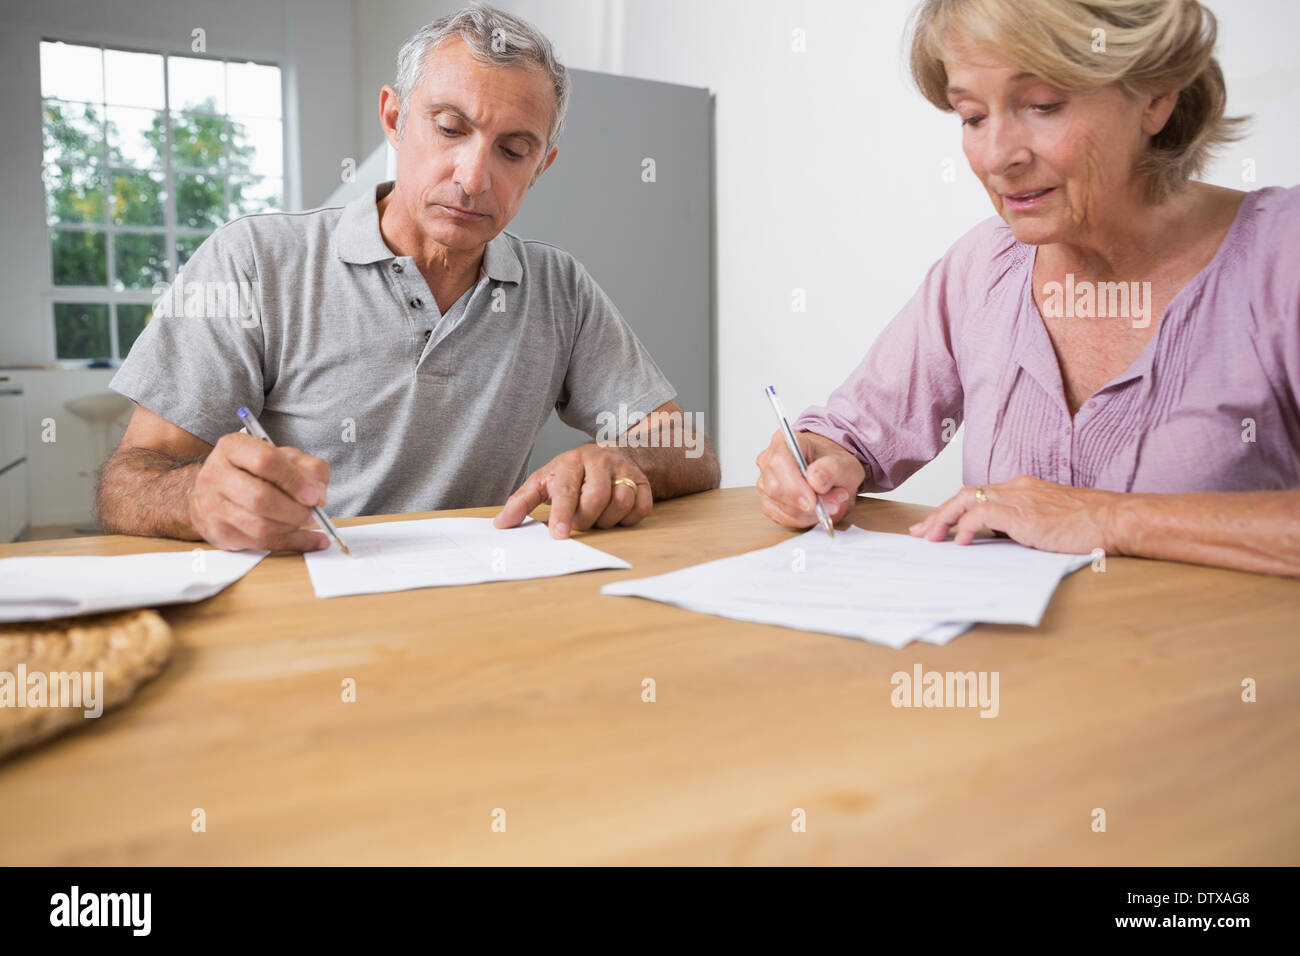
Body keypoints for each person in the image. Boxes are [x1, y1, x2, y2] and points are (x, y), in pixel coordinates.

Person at [97, 3, 718, 553]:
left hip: (478, 606)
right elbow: (129, 481)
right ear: (394, 118)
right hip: (299, 612)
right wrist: (197, 500)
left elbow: (690, 451)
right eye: (449, 129)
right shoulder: (254, 260)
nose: (473, 178)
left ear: (542, 166)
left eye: (512, 150)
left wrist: (624, 460)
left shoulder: (559, 287)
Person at [756, 0, 1300, 577]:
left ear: (1155, 96)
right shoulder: (985, 266)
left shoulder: (1281, 255)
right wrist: (816, 463)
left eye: (1043, 105)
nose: (997, 157)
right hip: (1015, 662)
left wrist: (1108, 519)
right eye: (971, 116)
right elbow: (854, 438)